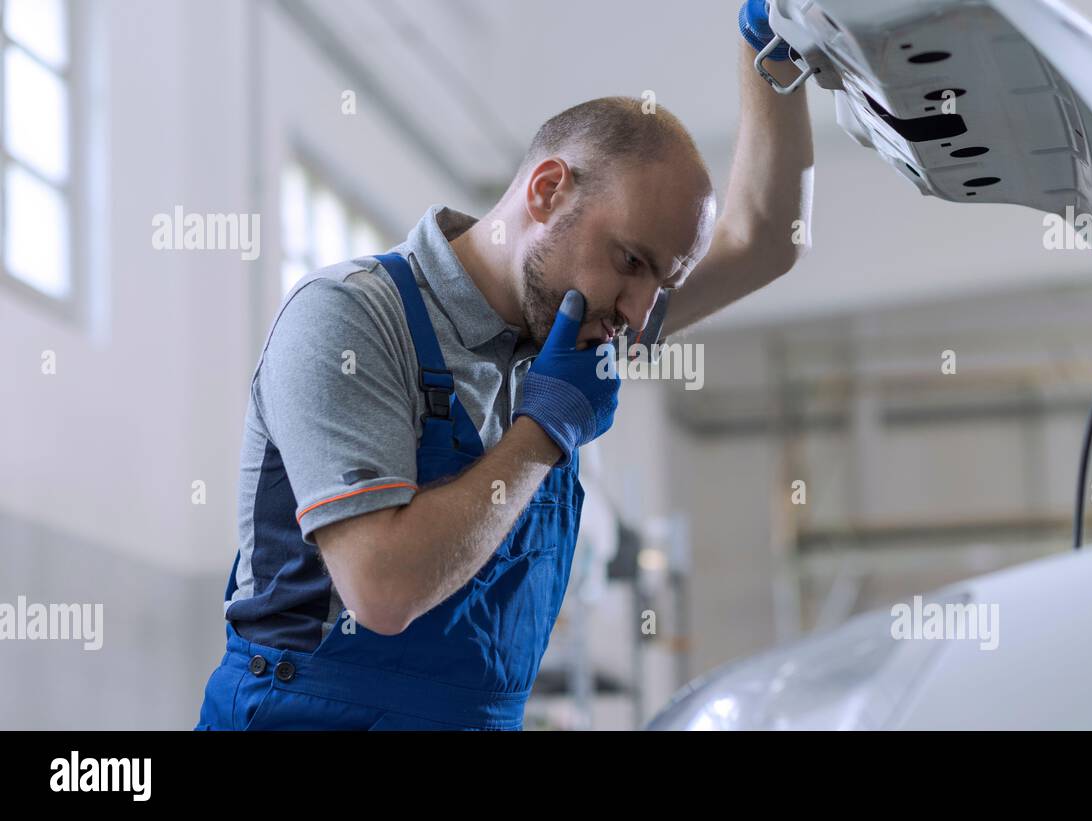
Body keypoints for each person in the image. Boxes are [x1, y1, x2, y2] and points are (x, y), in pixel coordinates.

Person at [196, 0, 813, 730]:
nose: (640, 315)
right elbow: (382, 589)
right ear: (548, 190)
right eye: (631, 261)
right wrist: (542, 430)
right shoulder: (351, 316)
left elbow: (768, 240)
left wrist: (774, 44)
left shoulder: (578, 328)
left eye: (664, 287)